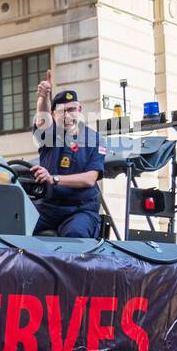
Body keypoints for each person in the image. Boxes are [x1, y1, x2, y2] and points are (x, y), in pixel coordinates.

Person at [29, 70, 106, 238]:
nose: (68, 115)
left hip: (80, 209)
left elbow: (89, 179)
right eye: (62, 111)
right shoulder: (49, 135)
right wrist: (43, 97)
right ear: (53, 114)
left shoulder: (95, 139)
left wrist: (53, 178)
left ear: (79, 109)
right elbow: (42, 120)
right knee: (12, 224)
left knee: (75, 235)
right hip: (47, 207)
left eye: (72, 109)